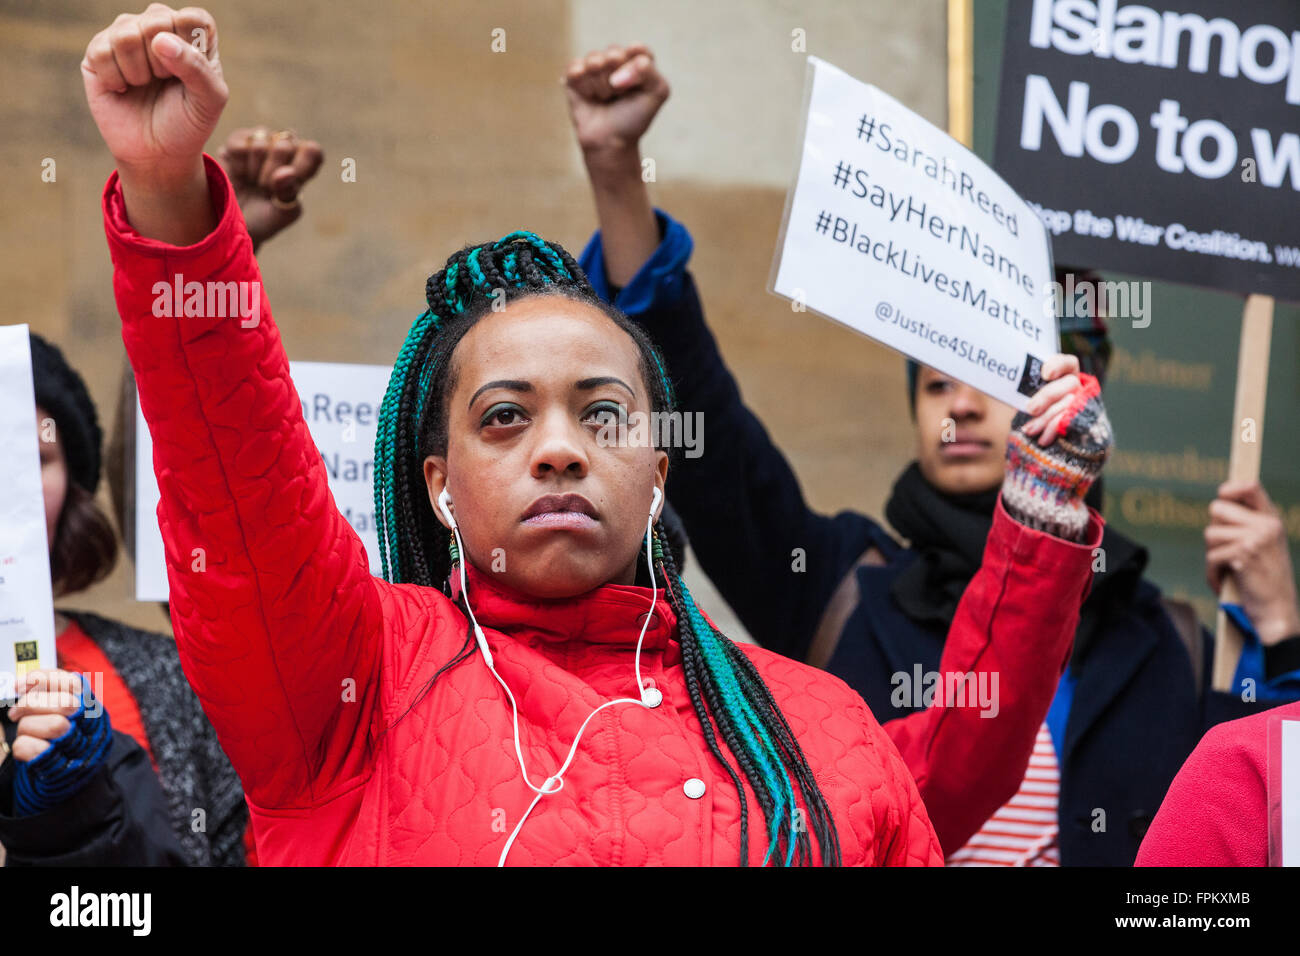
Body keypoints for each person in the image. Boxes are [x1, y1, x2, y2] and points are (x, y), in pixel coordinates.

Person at [83, 6, 1108, 867]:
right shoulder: (350, 683)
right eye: (504, 416)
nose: (559, 446)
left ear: (659, 471)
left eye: (602, 412)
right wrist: (173, 203)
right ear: (436, 483)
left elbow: (960, 763)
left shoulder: (813, 723)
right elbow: (238, 473)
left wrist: (1045, 509)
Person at [558, 43, 1299, 865]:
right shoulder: (840, 586)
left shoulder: (1173, 639)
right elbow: (705, 430)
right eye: (936, 384)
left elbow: (1248, 837)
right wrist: (617, 170)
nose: (961, 404)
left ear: (1074, 397)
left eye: (995, 380)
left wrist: (1283, 634)